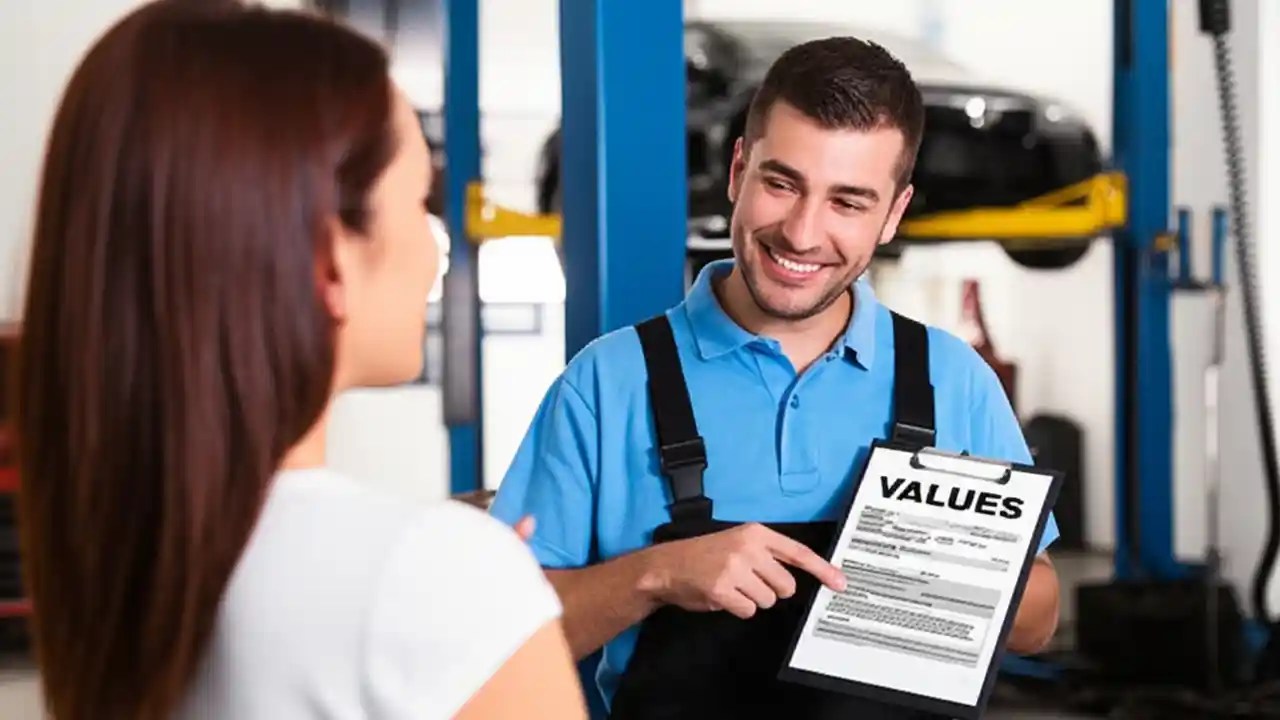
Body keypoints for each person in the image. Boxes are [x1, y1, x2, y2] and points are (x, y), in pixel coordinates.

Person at [13, 2, 585, 719]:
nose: (435, 246)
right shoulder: (436, 579)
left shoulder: (110, 551)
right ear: (330, 258)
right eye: (418, 203)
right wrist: (474, 588)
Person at [491, 35, 1061, 718]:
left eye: (848, 202)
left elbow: (1038, 622)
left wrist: (937, 562)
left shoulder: (953, 381)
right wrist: (656, 575)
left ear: (892, 215)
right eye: (781, 183)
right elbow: (504, 643)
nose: (801, 232)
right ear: (739, 170)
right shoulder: (606, 384)